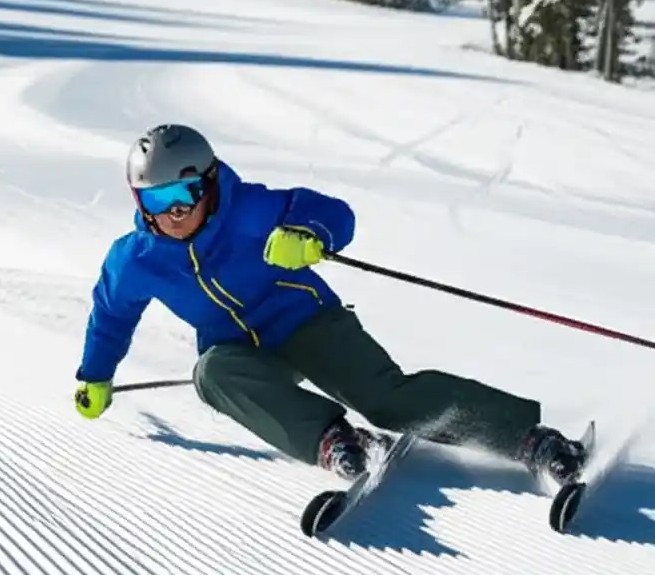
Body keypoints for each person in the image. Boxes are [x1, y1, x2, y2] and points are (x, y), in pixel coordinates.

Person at [72, 123, 587, 484]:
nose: (176, 211)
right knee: (211, 374)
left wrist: (308, 234)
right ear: (140, 203)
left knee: (387, 399)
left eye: (184, 192)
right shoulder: (134, 260)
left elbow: (335, 214)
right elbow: (112, 316)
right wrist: (95, 374)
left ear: (208, 182)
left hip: (310, 324)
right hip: (242, 352)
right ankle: (332, 439)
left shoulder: (251, 209)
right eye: (158, 201)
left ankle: (530, 439)